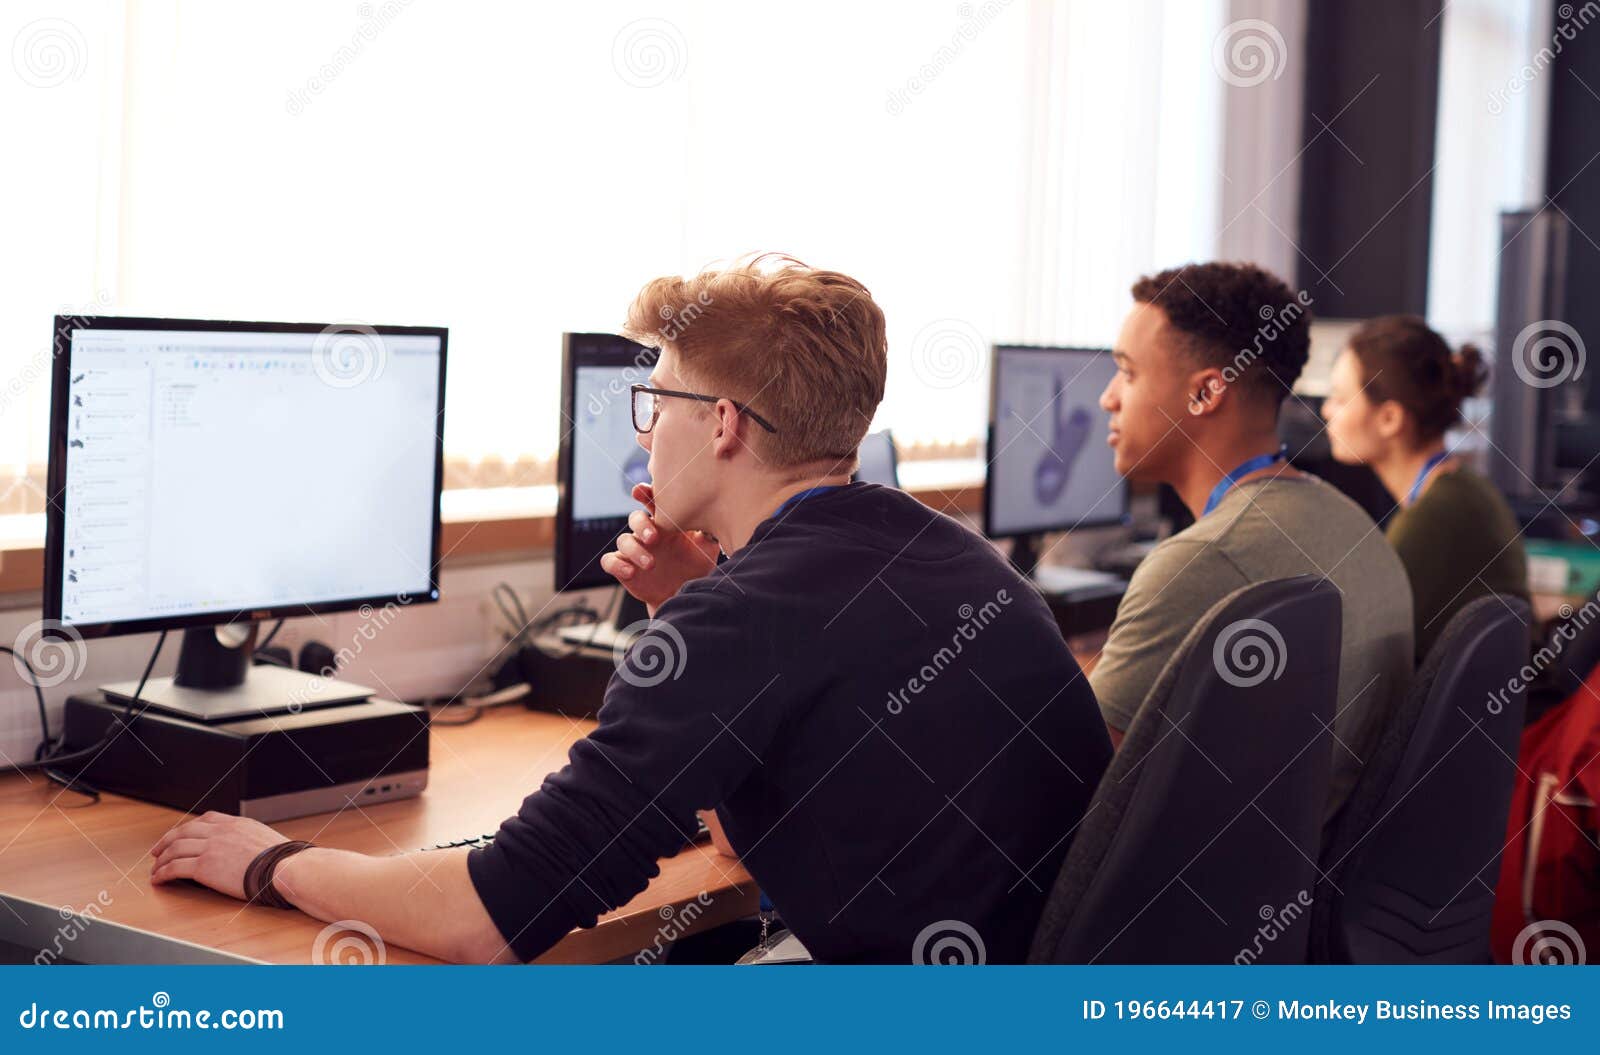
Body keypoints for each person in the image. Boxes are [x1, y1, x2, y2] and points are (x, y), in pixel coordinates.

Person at [150, 255, 1111, 964]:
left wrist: (274, 862)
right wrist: (696, 606)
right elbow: (781, 805)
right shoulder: (954, 558)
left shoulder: (743, 619)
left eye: (655, 402)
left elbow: (487, 918)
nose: (645, 432)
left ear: (724, 424)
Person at [1089, 262, 1413, 823]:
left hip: (1191, 899)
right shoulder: (1354, 523)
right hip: (1301, 884)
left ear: (1208, 391)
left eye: (1128, 373)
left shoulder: (1201, 562)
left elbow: (1073, 779)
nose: (1108, 398)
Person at [1320, 315, 1529, 661]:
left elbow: (1363, 654)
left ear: (1390, 419)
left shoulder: (1436, 515)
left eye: (1340, 398)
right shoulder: (1460, 488)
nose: (1326, 410)